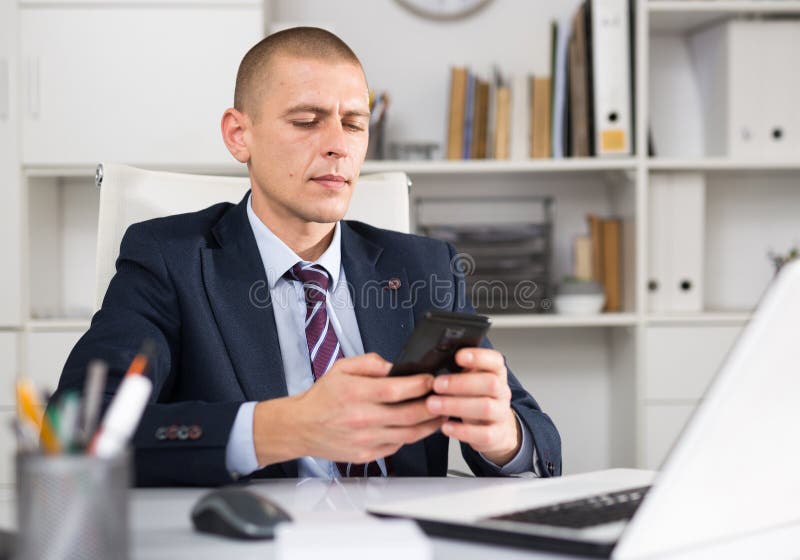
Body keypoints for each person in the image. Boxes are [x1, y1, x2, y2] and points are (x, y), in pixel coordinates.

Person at [55, 27, 561, 486]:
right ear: (239, 135)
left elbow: (539, 441)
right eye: (306, 121)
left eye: (354, 124)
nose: (338, 146)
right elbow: (80, 425)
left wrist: (502, 437)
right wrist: (286, 427)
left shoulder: (425, 267)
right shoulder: (169, 259)